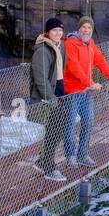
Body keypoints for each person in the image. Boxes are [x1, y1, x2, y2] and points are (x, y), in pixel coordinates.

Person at [62, 16, 109, 166]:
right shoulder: (70, 43)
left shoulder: (90, 44)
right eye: (84, 27)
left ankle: (83, 155)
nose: (86, 30)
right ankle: (70, 156)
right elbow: (73, 67)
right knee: (69, 124)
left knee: (88, 122)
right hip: (73, 91)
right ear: (79, 28)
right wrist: (91, 83)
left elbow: (101, 61)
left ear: (92, 30)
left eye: (89, 28)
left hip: (86, 91)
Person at [29, 17, 69, 182]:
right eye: (54, 30)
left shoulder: (61, 46)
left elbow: (61, 71)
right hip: (48, 95)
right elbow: (40, 78)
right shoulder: (43, 51)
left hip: (59, 90)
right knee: (55, 127)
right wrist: (51, 99)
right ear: (48, 32)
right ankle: (48, 166)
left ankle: (43, 160)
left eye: (60, 30)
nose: (58, 33)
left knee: (59, 126)